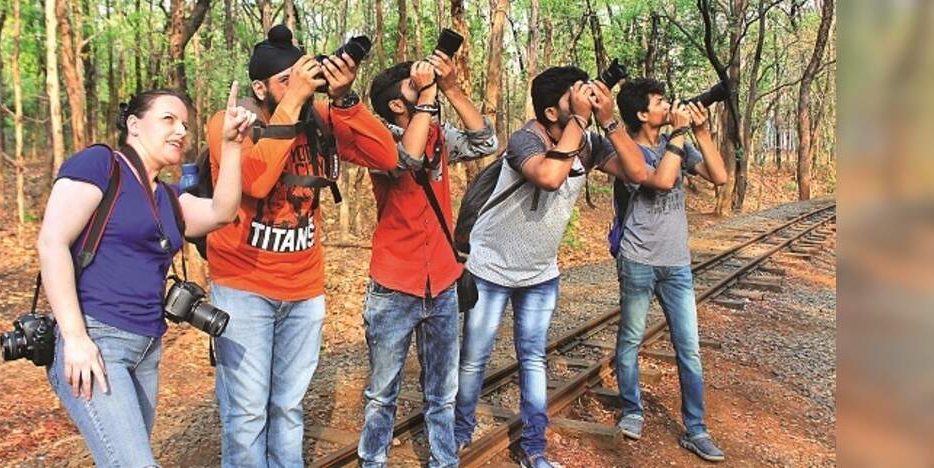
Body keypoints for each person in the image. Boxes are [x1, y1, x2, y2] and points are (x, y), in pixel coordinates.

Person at [204, 25, 398, 467]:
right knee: (247, 413)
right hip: (243, 286)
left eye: (302, 75)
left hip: (304, 290)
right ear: (260, 87)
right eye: (284, 80)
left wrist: (346, 98)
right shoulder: (229, 122)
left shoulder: (318, 120)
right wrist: (291, 104)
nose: (298, 87)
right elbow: (254, 180)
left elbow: (386, 157)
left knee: (288, 409)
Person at [38, 85, 255, 467]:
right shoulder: (101, 165)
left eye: (185, 125)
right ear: (134, 125)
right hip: (96, 341)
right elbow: (52, 243)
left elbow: (222, 211)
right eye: (168, 119)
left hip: (146, 350)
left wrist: (232, 144)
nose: (180, 131)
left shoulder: (169, 199)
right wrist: (74, 338)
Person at [453, 67, 649, 468]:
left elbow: (638, 172)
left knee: (533, 358)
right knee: (475, 357)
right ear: (551, 111)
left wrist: (609, 120)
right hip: (490, 267)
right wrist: (581, 119)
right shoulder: (527, 139)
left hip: (540, 273)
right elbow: (549, 176)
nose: (584, 101)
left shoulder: (589, 144)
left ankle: (534, 449)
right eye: (574, 97)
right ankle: (457, 435)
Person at [358, 53, 497, 467]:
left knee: (442, 391)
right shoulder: (378, 140)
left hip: (442, 281)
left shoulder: (438, 131)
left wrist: (450, 88)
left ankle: (443, 460)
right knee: (382, 393)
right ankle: (373, 461)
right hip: (393, 284)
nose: (420, 83)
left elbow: (485, 142)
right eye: (410, 84)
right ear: (397, 105)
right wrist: (428, 98)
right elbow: (407, 161)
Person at [611, 78, 728, 462]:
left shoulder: (675, 143)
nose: (667, 105)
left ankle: (696, 428)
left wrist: (702, 132)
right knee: (630, 341)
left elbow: (720, 177)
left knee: (689, 349)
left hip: (677, 263)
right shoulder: (628, 150)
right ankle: (632, 411)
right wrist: (679, 132)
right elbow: (660, 182)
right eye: (660, 102)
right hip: (638, 259)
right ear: (642, 114)